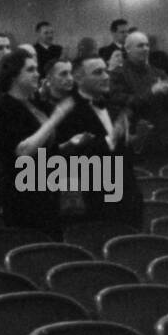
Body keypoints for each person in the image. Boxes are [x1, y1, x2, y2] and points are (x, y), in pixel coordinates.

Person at [0, 48, 85, 238]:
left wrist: (68, 145)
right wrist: (54, 120)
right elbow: (23, 152)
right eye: (31, 69)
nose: (38, 74)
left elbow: (46, 148)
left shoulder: (36, 104)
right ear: (14, 75)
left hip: (47, 190)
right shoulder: (5, 108)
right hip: (24, 194)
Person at [54, 53, 143, 231]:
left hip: (125, 199)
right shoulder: (65, 111)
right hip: (93, 203)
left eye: (105, 71)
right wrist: (111, 139)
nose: (106, 76)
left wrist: (134, 139)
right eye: (98, 72)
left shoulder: (113, 106)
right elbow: (69, 160)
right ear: (79, 78)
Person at [108, 29, 168, 167]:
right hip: (136, 140)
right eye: (140, 46)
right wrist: (151, 92)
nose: (145, 49)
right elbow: (121, 103)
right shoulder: (118, 74)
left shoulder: (159, 73)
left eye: (147, 45)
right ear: (128, 49)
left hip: (163, 138)